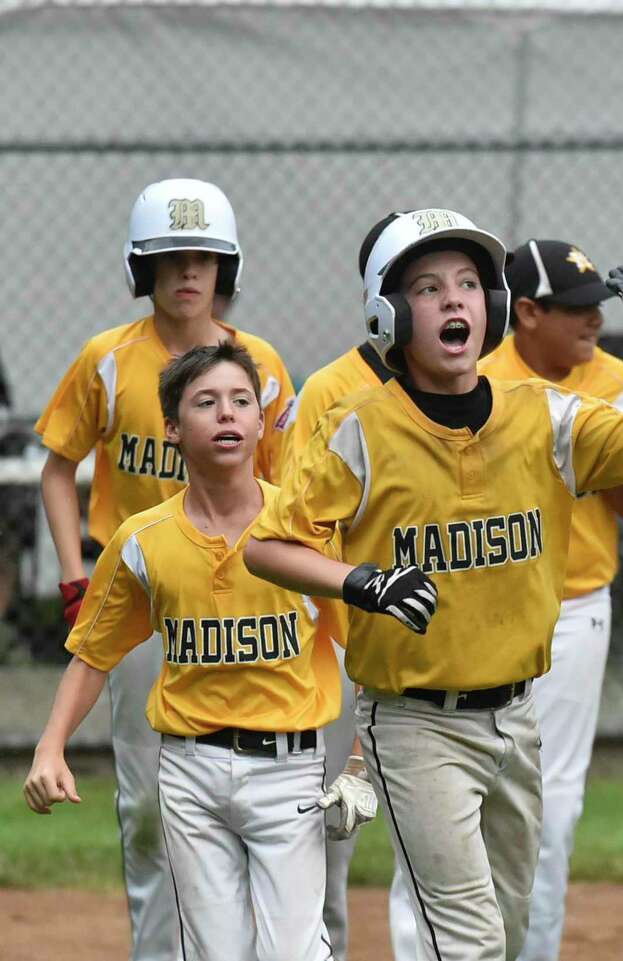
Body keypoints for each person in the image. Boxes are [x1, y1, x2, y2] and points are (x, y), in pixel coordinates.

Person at [244, 207, 623, 961]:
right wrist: (359, 580)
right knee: (469, 939)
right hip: (413, 723)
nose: (454, 299)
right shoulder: (360, 427)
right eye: (427, 288)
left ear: (492, 308)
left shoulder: (546, 415)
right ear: (388, 315)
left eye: (467, 283)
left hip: (517, 719)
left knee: (510, 929)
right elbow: (268, 547)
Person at [23, 343, 374, 961]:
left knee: (294, 952)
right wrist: (50, 747)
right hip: (188, 772)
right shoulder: (143, 541)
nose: (228, 415)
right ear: (173, 430)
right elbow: (93, 655)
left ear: (262, 423)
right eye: (206, 403)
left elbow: (371, 655)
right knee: (215, 952)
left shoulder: (304, 532)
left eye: (242, 401)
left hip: (288, 768)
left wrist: (357, 764)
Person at [34, 178, 294, 961]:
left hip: (245, 605)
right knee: (147, 804)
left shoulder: (260, 366)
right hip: (143, 595)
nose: (187, 273)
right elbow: (57, 468)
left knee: (271, 797)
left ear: (227, 270)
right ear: (140, 268)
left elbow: (285, 492)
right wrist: (76, 571)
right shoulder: (108, 361)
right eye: (169, 258)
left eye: (204, 259)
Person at [477, 238, 623, 961]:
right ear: (526, 311)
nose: (594, 320)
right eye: (576, 308)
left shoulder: (614, 378)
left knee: (553, 811)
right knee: (468, 803)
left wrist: (595, 458)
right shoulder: (478, 379)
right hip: (483, 615)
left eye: (598, 306)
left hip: (576, 613)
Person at [275, 214, 416, 961]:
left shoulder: (480, 385)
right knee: (328, 849)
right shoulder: (332, 390)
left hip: (445, 655)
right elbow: (294, 530)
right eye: (418, 282)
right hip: (344, 647)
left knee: (442, 850)